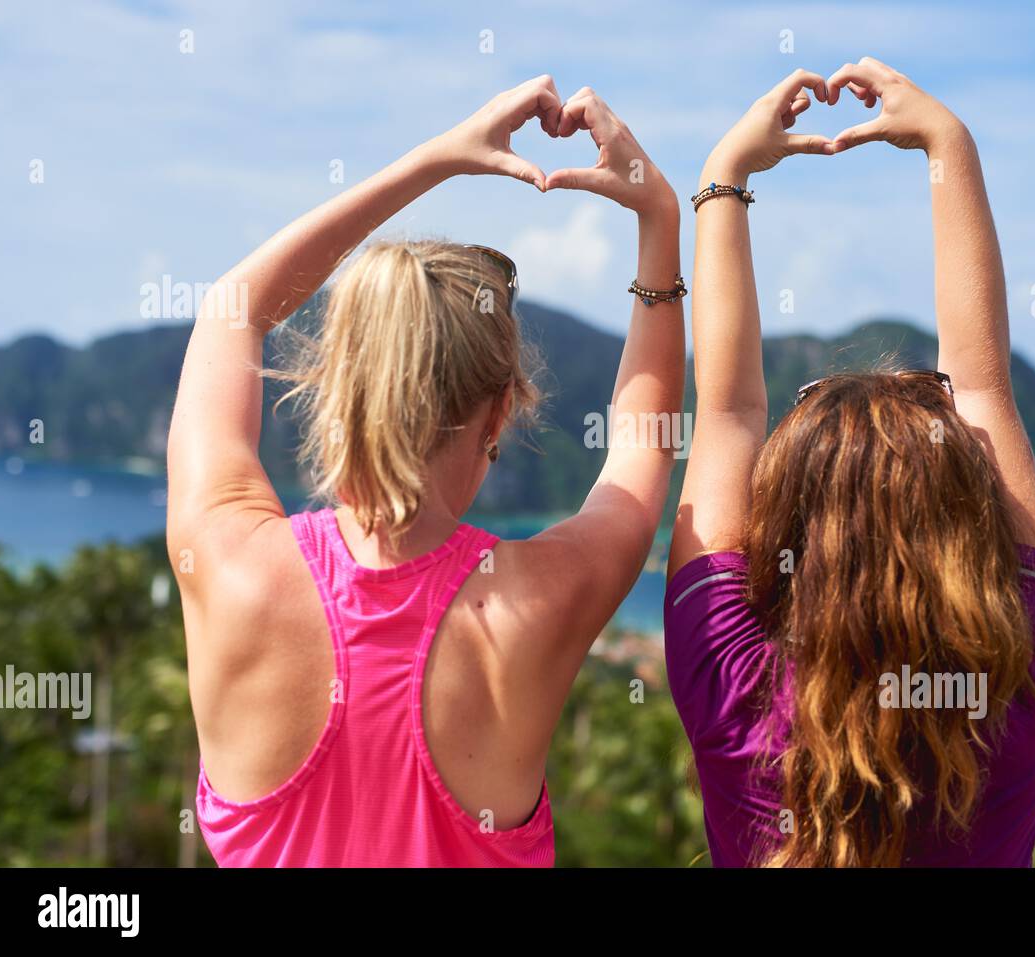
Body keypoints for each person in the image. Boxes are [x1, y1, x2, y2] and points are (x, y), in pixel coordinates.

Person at [166, 77, 685, 866]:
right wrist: (658, 217)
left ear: (337, 381)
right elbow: (642, 445)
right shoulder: (535, 603)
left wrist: (437, 160)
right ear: (500, 410)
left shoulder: (230, 565)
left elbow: (231, 311)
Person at [664, 60, 1035, 867]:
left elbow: (725, 411)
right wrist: (946, 144)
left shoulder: (732, 681)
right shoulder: (1017, 684)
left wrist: (724, 176)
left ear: (784, 520)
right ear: (965, 515)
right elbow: (985, 389)